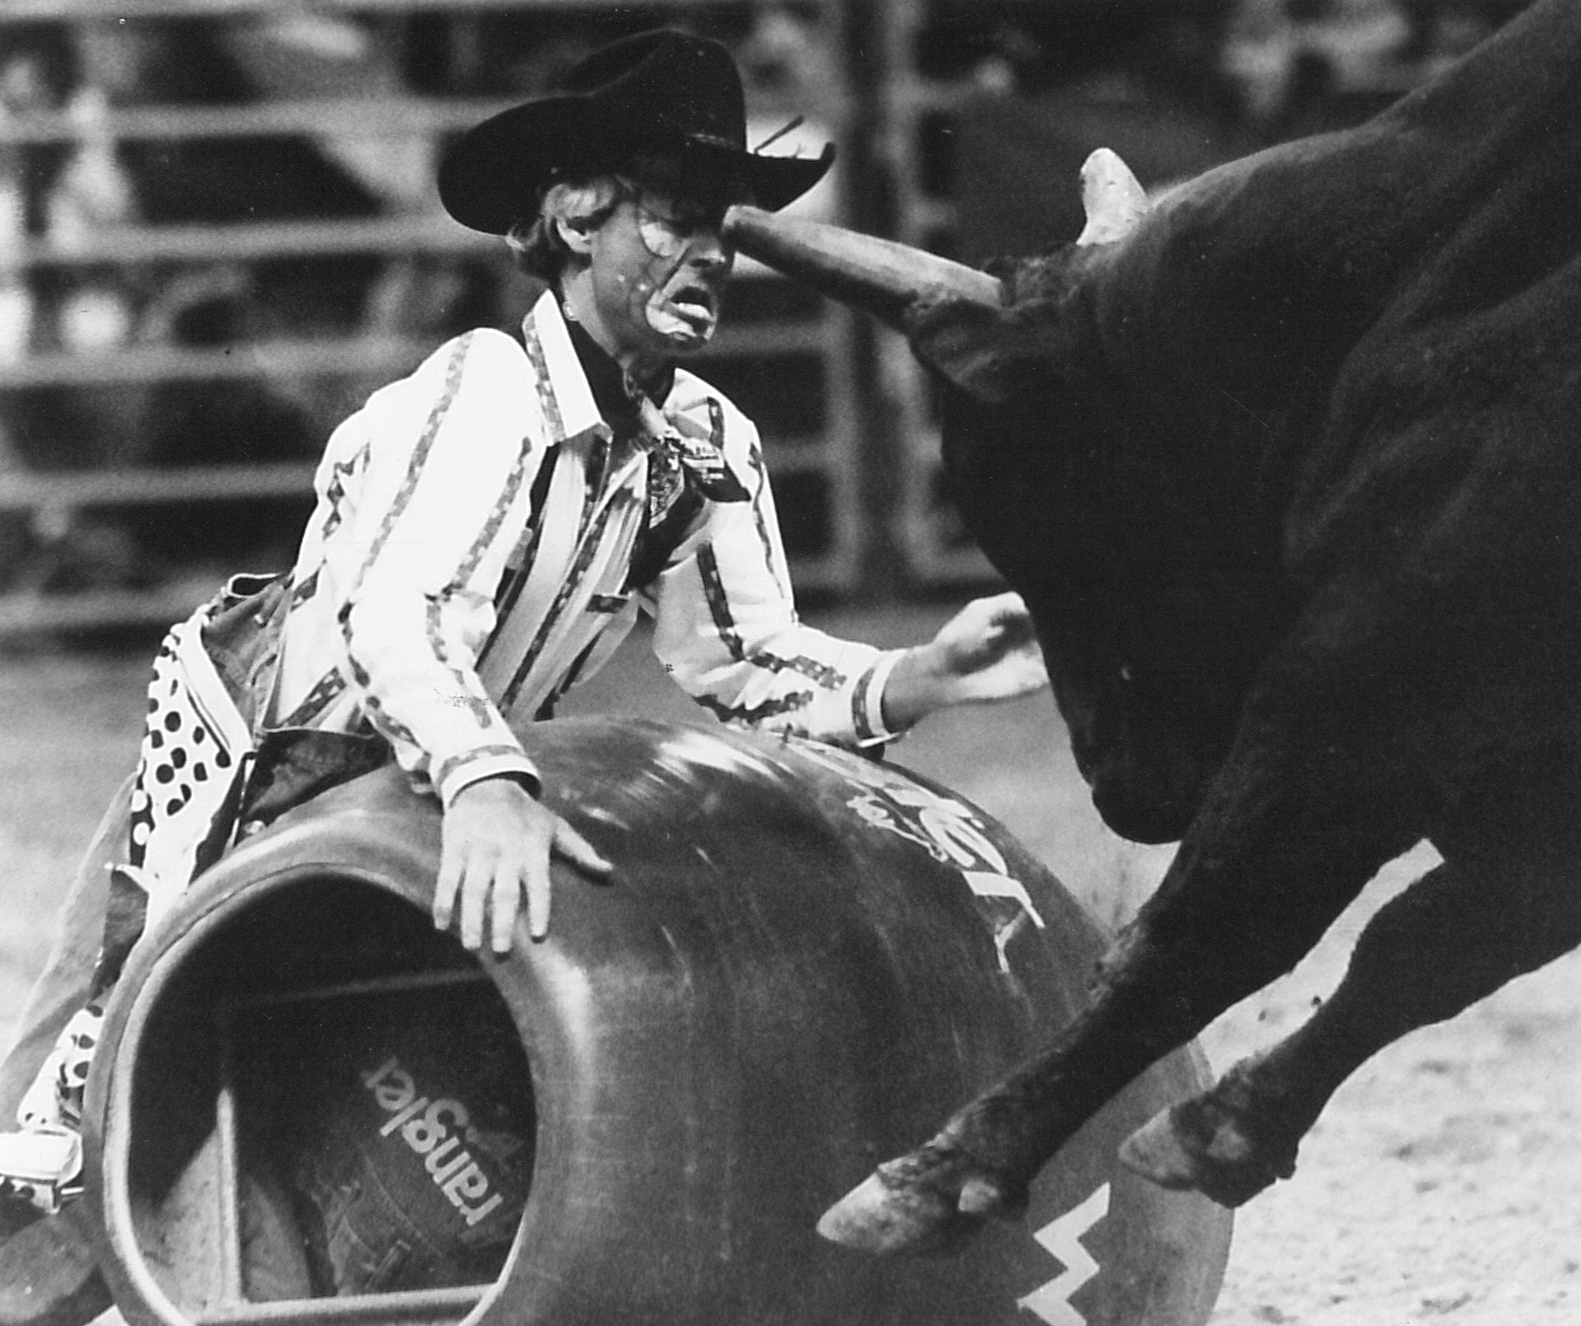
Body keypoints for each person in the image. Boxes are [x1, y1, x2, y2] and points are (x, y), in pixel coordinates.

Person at [0, 27, 1045, 1312]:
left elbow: (746, 664)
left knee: (306, 1122)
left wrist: (920, 676)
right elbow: (396, 613)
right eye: (672, 218)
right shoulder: (486, 392)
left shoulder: (705, 445)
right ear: (574, 217)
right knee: (76, 1120)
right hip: (262, 768)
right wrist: (490, 776)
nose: (708, 252)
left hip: (410, 796)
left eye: (720, 227)